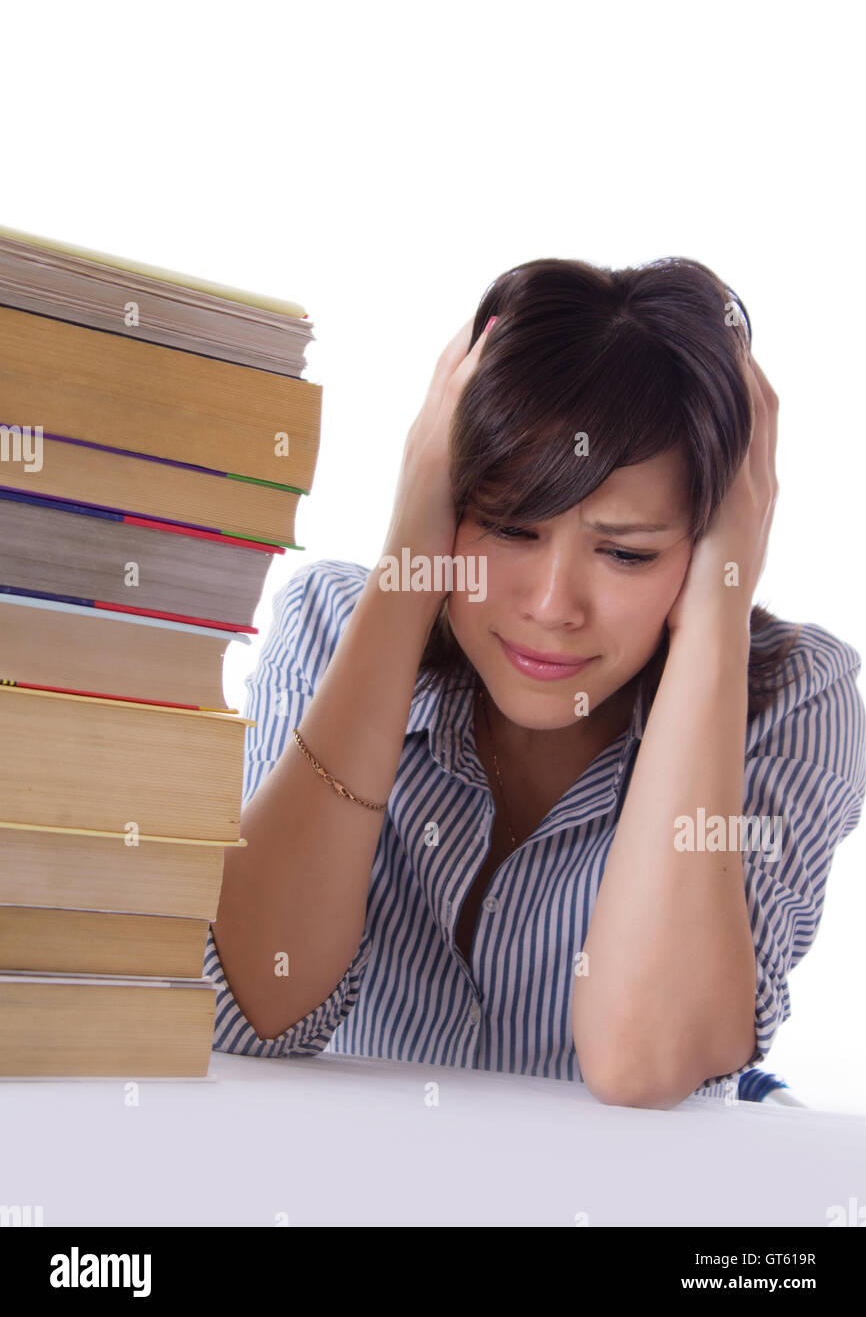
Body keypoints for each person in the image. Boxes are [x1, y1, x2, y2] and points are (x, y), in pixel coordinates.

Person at [207, 256, 865, 1108]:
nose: (554, 607)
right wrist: (412, 550)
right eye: (510, 527)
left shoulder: (796, 699)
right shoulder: (329, 624)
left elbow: (643, 1064)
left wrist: (714, 621)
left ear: (711, 542)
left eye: (627, 552)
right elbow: (252, 1010)